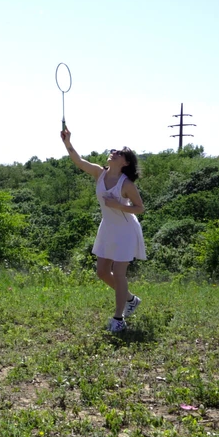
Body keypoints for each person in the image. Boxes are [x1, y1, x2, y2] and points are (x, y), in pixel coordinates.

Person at [61, 126, 146, 333]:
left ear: (125, 162)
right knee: (101, 272)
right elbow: (79, 162)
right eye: (114, 151)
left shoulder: (127, 184)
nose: (113, 153)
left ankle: (118, 319)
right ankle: (130, 300)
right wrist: (67, 142)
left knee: (118, 273)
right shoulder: (100, 173)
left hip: (125, 230)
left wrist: (118, 205)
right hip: (108, 228)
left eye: (119, 153)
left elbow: (140, 208)